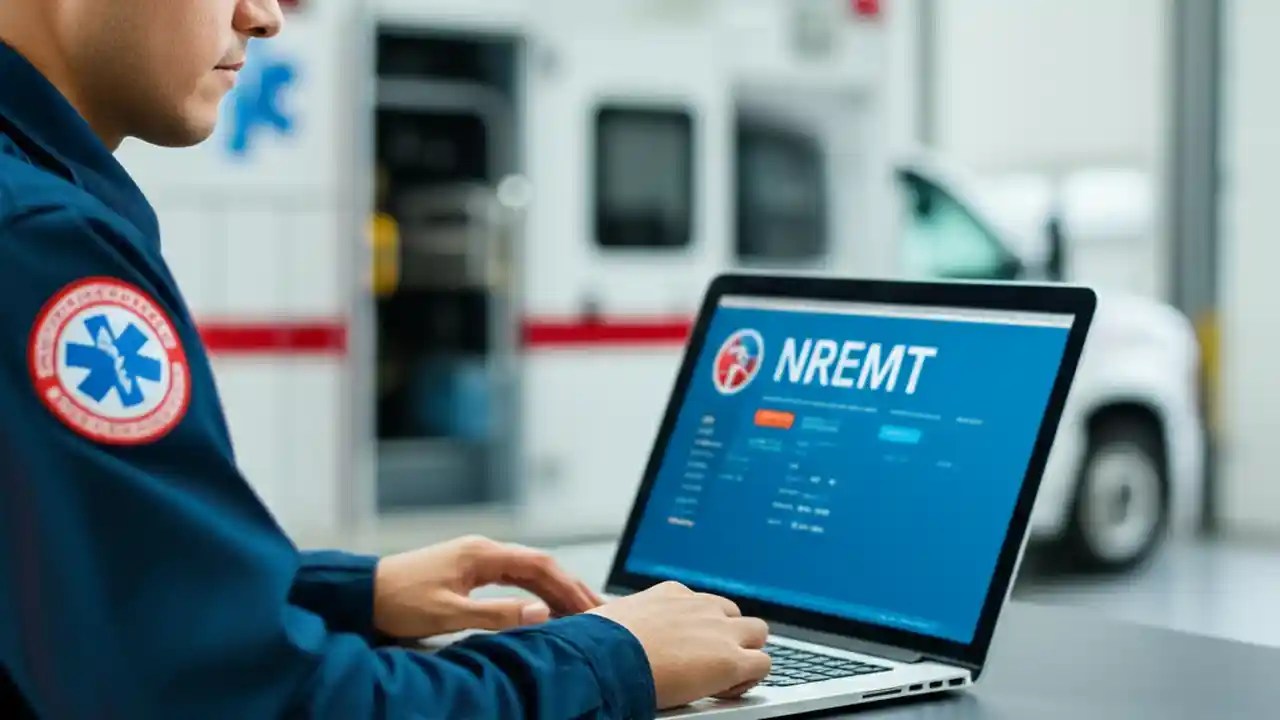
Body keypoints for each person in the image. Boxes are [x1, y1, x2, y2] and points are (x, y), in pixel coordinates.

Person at [0, 1, 771, 717]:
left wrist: (344, 593)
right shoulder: (38, 239)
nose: (265, 16)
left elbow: (71, 592)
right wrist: (610, 658)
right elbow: (249, 701)